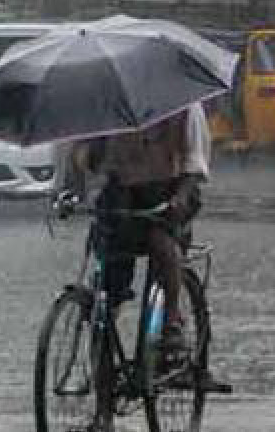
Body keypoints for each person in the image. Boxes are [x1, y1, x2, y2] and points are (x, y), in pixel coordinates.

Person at [78, 103, 211, 358]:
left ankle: (171, 320)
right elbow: (90, 162)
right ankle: (105, 329)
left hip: (171, 189)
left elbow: (195, 164)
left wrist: (179, 197)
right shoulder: (109, 106)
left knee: (160, 239)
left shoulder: (185, 106)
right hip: (123, 193)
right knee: (108, 250)